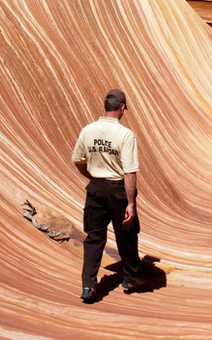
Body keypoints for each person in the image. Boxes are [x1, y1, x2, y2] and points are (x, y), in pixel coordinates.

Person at [71, 89, 144, 301]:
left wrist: (92, 177)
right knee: (127, 235)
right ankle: (132, 277)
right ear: (122, 108)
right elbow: (129, 172)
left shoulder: (88, 130)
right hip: (118, 189)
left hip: (95, 189)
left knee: (94, 238)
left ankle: (88, 286)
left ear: (106, 107)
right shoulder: (125, 135)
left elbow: (78, 160)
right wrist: (130, 203)